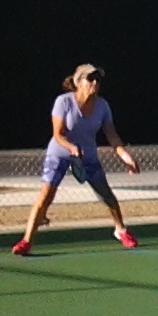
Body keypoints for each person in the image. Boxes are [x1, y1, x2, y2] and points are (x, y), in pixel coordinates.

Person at [11, 65, 140, 255]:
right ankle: (26, 241)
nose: (95, 83)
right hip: (59, 154)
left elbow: (112, 136)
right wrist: (71, 148)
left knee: (107, 196)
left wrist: (125, 157)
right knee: (45, 196)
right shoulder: (63, 102)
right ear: (78, 82)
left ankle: (121, 230)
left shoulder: (102, 106)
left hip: (87, 157)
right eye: (90, 79)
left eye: (97, 79)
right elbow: (58, 134)